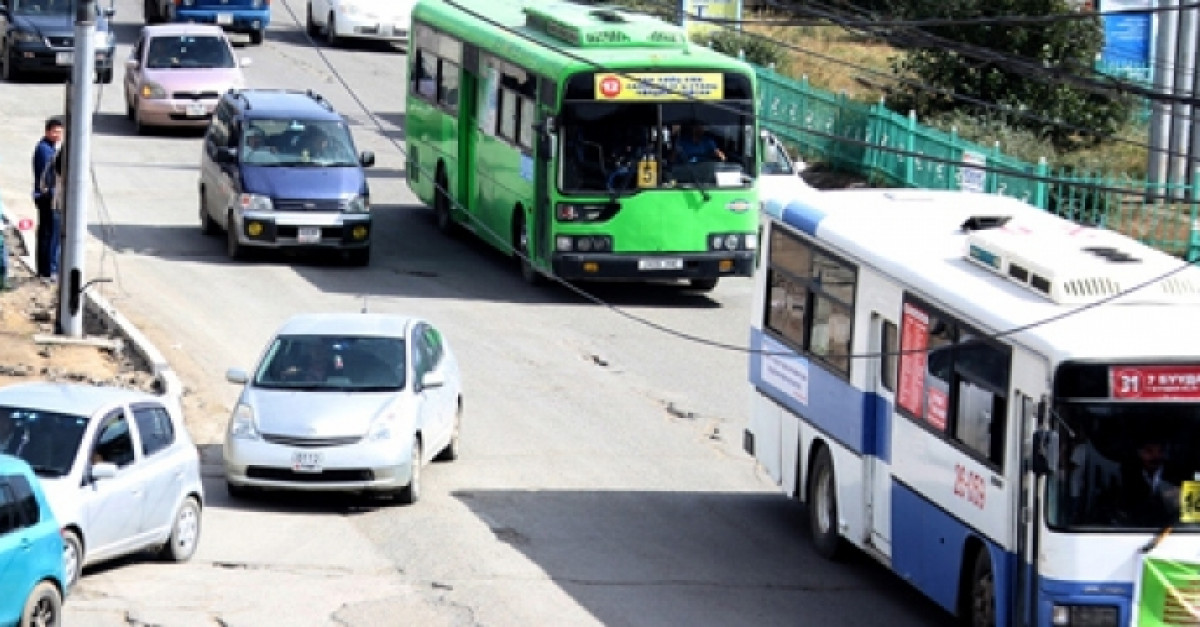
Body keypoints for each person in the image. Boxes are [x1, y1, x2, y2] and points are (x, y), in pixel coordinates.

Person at [1117, 435, 1184, 526]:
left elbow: (1193, 514)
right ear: (1139, 453)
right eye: (1149, 451)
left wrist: (1180, 499)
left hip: (1176, 533)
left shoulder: (1180, 475)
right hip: (1134, 533)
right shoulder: (1127, 476)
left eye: (1159, 451)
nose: (1155, 456)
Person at [32, 117, 62, 280]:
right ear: (47, 132)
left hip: (45, 196)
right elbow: (47, 175)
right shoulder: (44, 150)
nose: (58, 135)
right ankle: (49, 270)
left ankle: (45, 270)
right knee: (50, 234)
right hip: (47, 198)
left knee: (46, 233)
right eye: (55, 132)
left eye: (60, 132)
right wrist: (51, 193)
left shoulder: (48, 148)